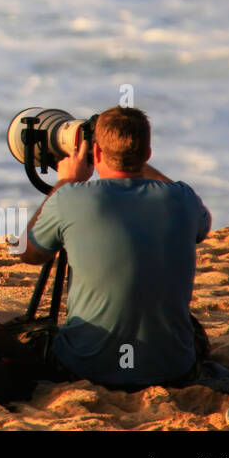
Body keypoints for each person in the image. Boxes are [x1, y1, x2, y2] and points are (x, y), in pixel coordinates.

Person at [16, 106, 211, 388]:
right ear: (148, 154)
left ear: (95, 154)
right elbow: (201, 227)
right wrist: (136, 163)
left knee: (18, 331)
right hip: (174, 368)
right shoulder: (183, 198)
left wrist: (66, 181)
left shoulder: (71, 198)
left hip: (88, 367)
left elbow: (28, 251)